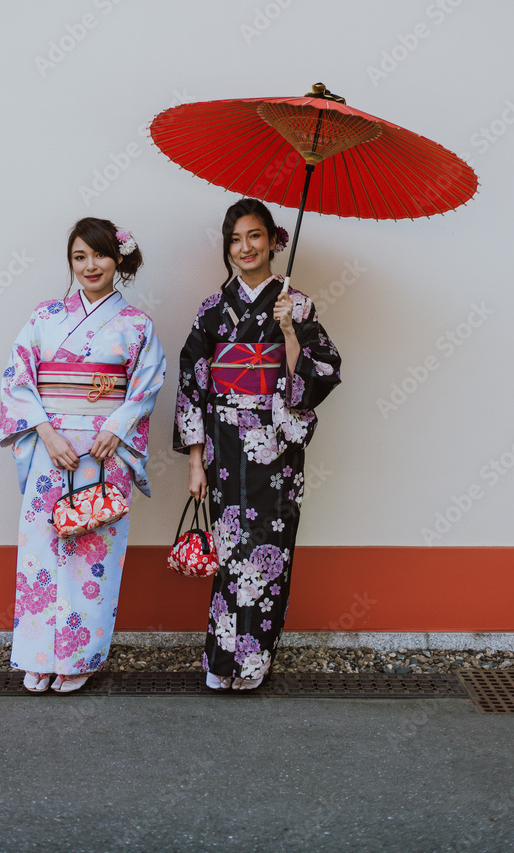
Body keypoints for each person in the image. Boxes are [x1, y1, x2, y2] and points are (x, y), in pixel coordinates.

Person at [174, 198, 341, 691]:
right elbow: (193, 383)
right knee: (231, 552)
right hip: (224, 446)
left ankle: (252, 664)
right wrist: (196, 463)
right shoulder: (212, 310)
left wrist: (289, 329)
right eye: (235, 239)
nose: (244, 247)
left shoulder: (298, 304)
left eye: (254, 236)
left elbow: (319, 372)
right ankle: (220, 661)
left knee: (269, 553)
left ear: (273, 240)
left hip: (276, 448)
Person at [0, 218, 165, 693]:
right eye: (79, 257)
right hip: (51, 448)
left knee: (94, 554)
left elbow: (146, 385)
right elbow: (17, 377)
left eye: (99, 255)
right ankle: (37, 655)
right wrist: (47, 434)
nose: (90, 266)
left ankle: (78, 656)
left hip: (103, 450)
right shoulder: (45, 316)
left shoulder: (136, 325)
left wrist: (116, 428)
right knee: (40, 551)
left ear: (119, 259)